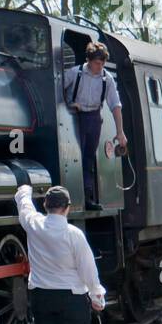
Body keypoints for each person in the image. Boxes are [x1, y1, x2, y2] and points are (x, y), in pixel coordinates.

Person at [14, 183, 105, 324]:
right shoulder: (74, 235)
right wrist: (97, 296)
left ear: (45, 205)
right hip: (72, 299)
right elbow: (88, 270)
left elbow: (24, 206)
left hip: (42, 297)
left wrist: (24, 190)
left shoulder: (34, 224)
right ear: (68, 208)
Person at [63, 41, 126, 210]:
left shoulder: (107, 79)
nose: (100, 66)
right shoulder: (74, 73)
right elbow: (57, 89)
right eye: (97, 63)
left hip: (93, 117)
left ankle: (88, 198)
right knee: (74, 157)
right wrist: (68, 103)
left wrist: (120, 132)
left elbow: (115, 105)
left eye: (102, 63)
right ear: (89, 60)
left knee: (88, 158)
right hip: (74, 115)